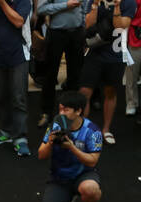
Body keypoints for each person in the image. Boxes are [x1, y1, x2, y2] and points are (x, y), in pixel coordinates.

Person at [39, 89, 104, 202]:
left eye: (66, 110)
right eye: (60, 109)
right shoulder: (54, 127)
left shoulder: (92, 130)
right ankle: (69, 196)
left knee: (90, 189)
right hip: (59, 177)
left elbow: (92, 161)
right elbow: (41, 155)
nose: (61, 114)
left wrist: (72, 148)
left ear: (78, 111)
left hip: (83, 174)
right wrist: (50, 143)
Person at [77, 0, 134, 145]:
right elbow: (88, 23)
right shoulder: (96, 1)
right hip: (94, 52)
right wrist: (95, 4)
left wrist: (116, 7)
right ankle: (82, 130)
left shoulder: (128, 2)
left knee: (110, 92)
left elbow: (120, 25)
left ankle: (106, 129)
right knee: (84, 91)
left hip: (116, 54)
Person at [0, 0, 33, 155]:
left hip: (19, 54)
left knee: (18, 97)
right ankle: (6, 131)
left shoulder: (23, 1)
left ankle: (20, 137)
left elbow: (18, 21)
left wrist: (2, 3)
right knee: (1, 96)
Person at [37, 0, 87, 130]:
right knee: (50, 75)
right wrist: (66, 5)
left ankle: (70, 113)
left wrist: (83, 24)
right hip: (56, 33)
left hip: (77, 32)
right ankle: (46, 113)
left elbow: (86, 6)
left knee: (75, 75)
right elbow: (41, 10)